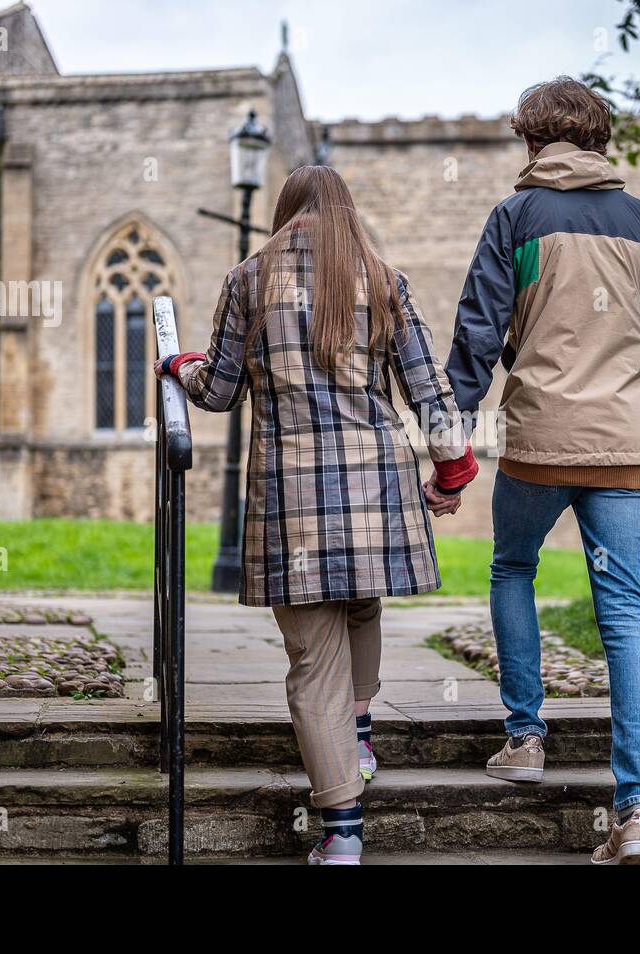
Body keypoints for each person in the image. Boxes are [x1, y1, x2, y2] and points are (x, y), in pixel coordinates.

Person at [156, 165, 477, 865]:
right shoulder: (382, 277)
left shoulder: (249, 278)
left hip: (293, 493)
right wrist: (452, 468)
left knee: (312, 660)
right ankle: (358, 737)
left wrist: (177, 364)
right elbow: (428, 387)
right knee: (361, 602)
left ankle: (342, 836)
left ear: (286, 209)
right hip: (378, 481)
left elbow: (217, 390)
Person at [434, 76, 640, 865]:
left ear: (531, 140)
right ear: (600, 140)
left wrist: (447, 446)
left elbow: (477, 340)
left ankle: (525, 739)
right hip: (626, 444)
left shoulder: (514, 217)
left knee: (512, 566)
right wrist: (631, 367)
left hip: (539, 441)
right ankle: (636, 814)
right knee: (624, 611)